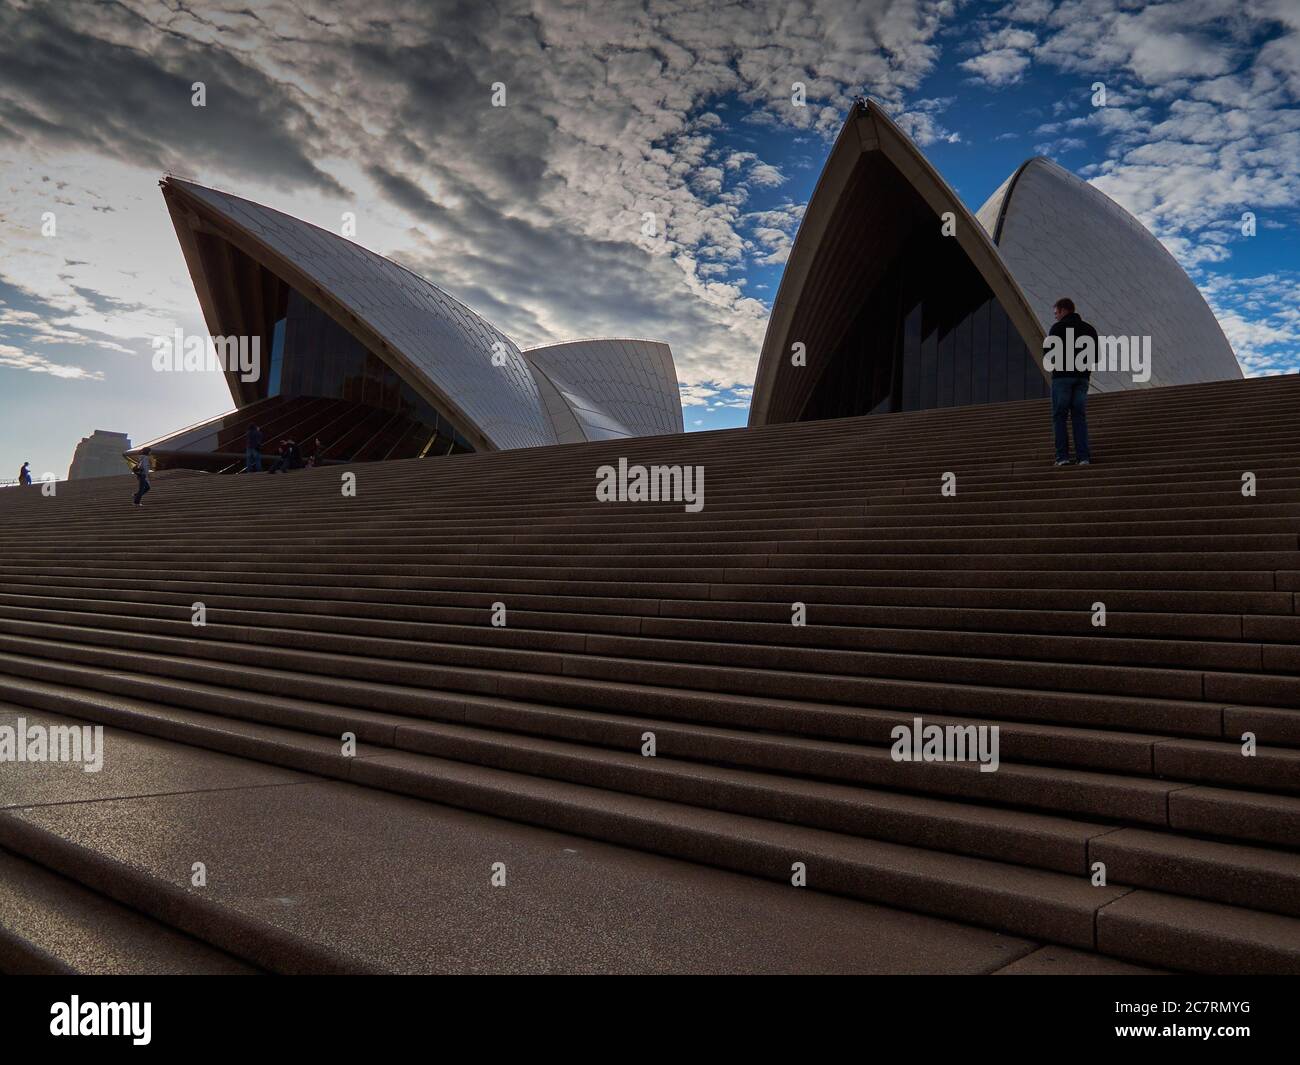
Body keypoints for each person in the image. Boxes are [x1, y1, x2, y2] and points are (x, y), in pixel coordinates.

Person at [1046, 297, 1097, 467]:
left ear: (1062, 310)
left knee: (1060, 417)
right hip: (1082, 378)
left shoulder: (1058, 328)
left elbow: (1049, 354)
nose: (1055, 316)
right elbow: (1095, 357)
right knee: (1079, 417)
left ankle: (1062, 457)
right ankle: (1083, 457)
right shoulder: (1089, 329)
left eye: (1056, 313)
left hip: (1062, 377)